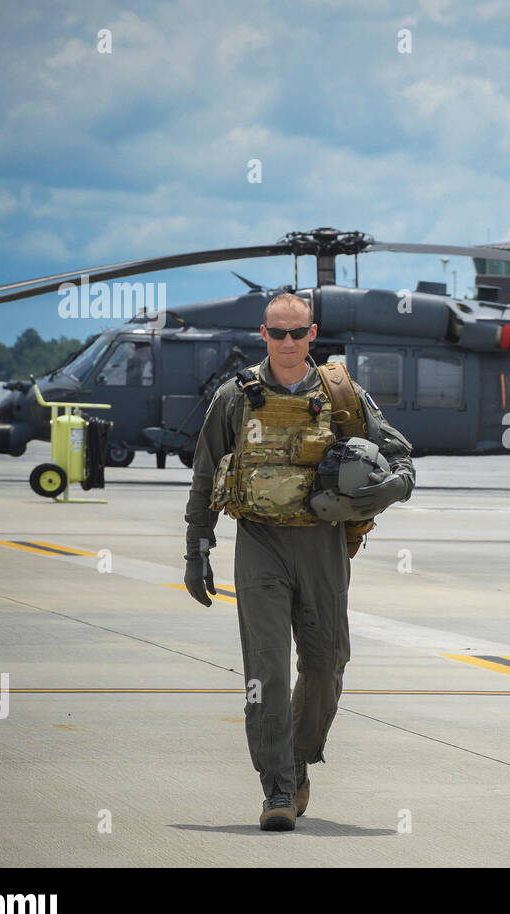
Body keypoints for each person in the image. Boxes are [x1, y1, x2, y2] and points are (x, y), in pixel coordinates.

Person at [183, 292, 415, 830]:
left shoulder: (343, 396)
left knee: (324, 666)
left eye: (297, 332)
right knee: (265, 671)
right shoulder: (235, 398)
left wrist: (386, 490)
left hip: (323, 548)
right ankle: (278, 790)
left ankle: (298, 757)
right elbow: (204, 473)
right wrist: (198, 548)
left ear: (313, 335)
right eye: (276, 332)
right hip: (259, 545)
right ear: (261, 334)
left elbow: (401, 457)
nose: (287, 342)